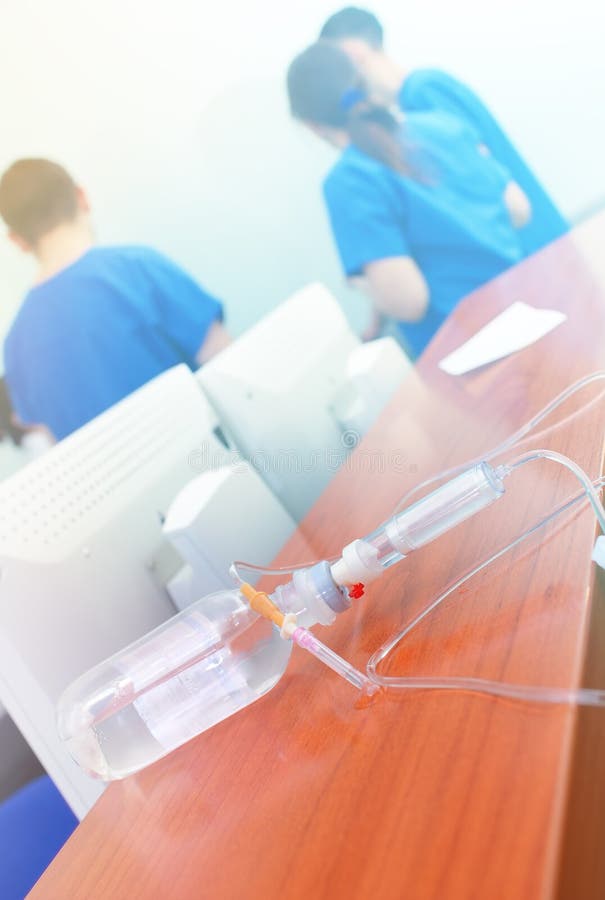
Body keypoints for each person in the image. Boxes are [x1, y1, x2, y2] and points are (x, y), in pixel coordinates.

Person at [287, 41, 531, 357]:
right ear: (362, 79)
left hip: (474, 352)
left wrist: (365, 283)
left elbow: (408, 302)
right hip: (531, 306)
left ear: (312, 125)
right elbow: (518, 210)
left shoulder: (349, 181)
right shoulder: (442, 126)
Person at [0, 158, 230, 441]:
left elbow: (55, 446)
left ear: (17, 241)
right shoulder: (138, 268)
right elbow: (231, 370)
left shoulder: (15, 350)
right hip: (213, 469)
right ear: (82, 197)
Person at [319, 7, 568, 257]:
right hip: (529, 240)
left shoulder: (422, 93)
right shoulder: (424, 89)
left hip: (528, 243)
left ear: (353, 54)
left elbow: (477, 177)